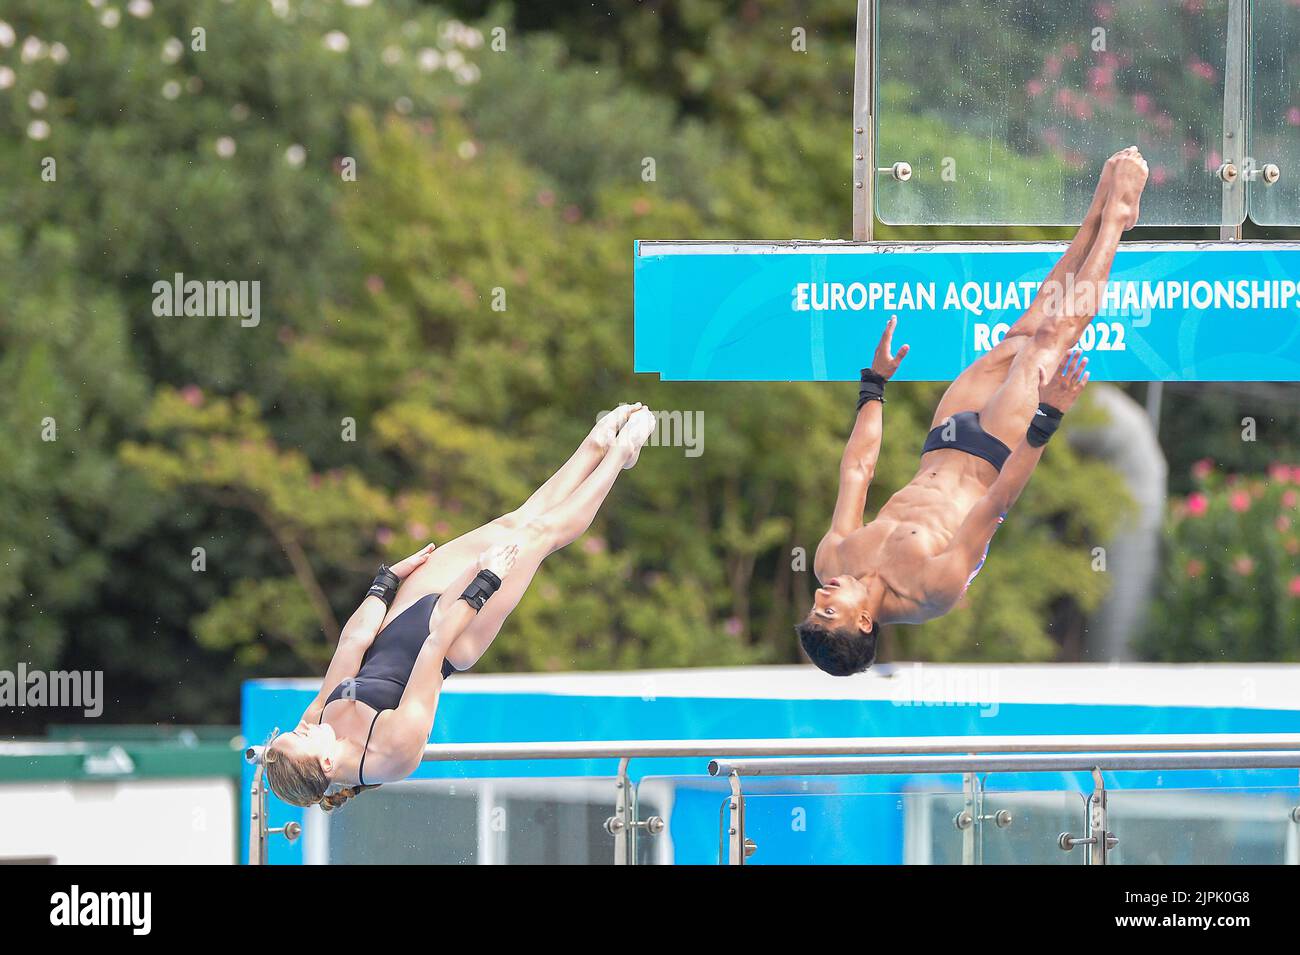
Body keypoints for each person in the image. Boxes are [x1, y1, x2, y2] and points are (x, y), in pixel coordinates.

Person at [798, 148, 1149, 675]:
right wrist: (1046, 419)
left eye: (815, 606)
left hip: (943, 437)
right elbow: (998, 502)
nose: (823, 593)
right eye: (830, 610)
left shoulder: (834, 559)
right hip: (996, 452)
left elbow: (857, 470)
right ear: (863, 622)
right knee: (1053, 337)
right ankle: (1119, 217)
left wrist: (874, 387)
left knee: (1025, 333)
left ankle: (1097, 214)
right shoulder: (930, 593)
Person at [264, 404, 659, 807]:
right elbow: (433, 651)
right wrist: (485, 580)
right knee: (540, 535)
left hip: (402, 620)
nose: (301, 725)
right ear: (327, 763)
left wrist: (384, 584)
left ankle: (594, 446)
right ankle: (620, 454)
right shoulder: (390, 753)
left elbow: (352, 644)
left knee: (511, 524)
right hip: (451, 634)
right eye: (300, 737)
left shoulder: (317, 724)